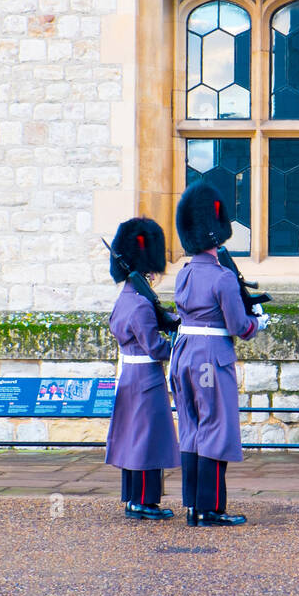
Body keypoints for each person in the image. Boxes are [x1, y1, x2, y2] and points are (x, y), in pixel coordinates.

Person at [170, 182, 271, 527]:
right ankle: (211, 509)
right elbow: (237, 326)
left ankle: (193, 507)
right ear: (217, 235)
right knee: (214, 426)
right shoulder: (223, 277)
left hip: (183, 355)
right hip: (211, 359)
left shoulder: (183, 274)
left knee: (192, 427)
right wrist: (260, 323)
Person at [104, 217, 180, 520]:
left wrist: (168, 320)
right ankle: (147, 503)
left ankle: (132, 499)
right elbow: (154, 347)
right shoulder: (140, 304)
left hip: (130, 377)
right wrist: (180, 344)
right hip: (147, 379)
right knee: (149, 442)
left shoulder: (126, 298)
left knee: (132, 440)